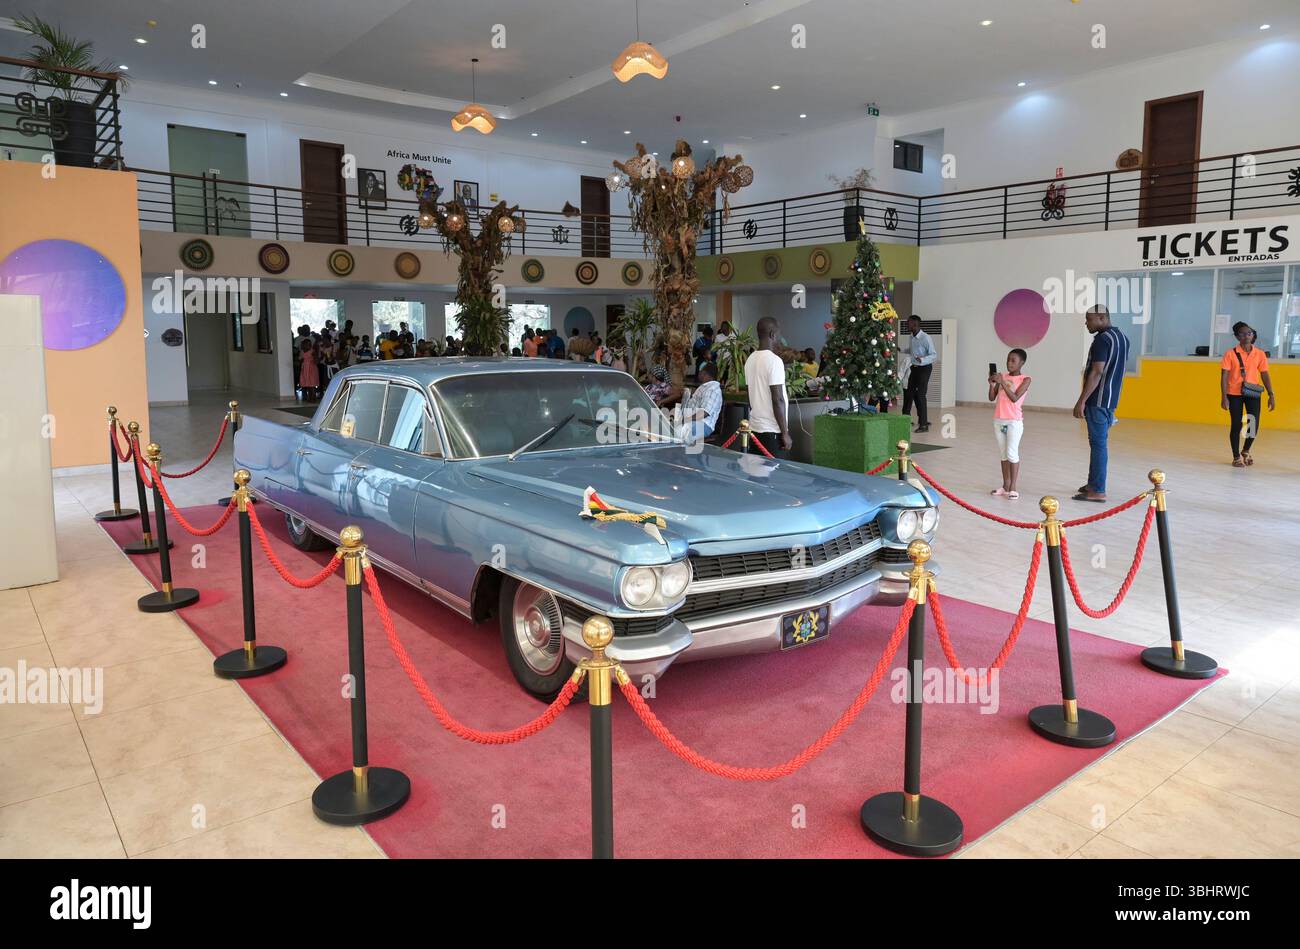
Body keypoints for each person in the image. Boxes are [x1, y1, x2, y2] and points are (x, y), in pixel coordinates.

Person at [1072, 304, 1129, 502]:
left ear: (1102, 318)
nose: (1086, 323)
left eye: (1089, 319)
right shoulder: (1122, 338)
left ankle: (1097, 489)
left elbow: (1097, 372)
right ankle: (1093, 483)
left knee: (1098, 445)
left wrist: (1081, 400)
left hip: (1098, 400)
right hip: (1111, 399)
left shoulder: (1102, 341)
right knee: (1099, 443)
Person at [1220, 321, 1275, 467]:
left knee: (1253, 423)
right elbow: (1224, 376)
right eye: (1243, 334)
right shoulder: (1230, 354)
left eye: (1249, 333)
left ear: (1253, 335)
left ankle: (1246, 450)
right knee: (1236, 424)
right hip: (1234, 393)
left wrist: (1271, 394)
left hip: (1252, 392)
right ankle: (1236, 456)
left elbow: (1264, 374)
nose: (1247, 336)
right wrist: (1224, 397)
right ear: (1237, 337)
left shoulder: (1260, 354)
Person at [744, 316, 792, 456]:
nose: (779, 339)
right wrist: (785, 433)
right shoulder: (774, 361)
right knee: (776, 475)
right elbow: (777, 399)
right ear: (772, 334)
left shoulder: (750, 360)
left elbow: (749, 396)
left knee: (756, 474)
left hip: (755, 429)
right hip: (773, 431)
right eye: (778, 334)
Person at [988, 348, 1032, 500]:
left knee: (1012, 453)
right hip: (998, 420)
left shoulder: (1026, 379)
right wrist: (992, 383)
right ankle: (1005, 486)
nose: (1009, 363)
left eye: (1013, 360)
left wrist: (1002, 383)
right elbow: (991, 398)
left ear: (1022, 363)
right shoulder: (1002, 376)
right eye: (1008, 359)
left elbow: (1014, 398)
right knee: (1003, 454)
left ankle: (1013, 487)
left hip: (1014, 421)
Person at [903, 315, 936, 433]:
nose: (907, 325)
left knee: (920, 395)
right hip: (915, 368)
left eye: (909, 323)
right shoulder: (911, 337)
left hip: (924, 368)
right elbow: (911, 351)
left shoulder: (926, 338)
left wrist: (923, 359)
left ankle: (923, 425)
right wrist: (900, 349)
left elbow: (933, 355)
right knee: (909, 392)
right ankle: (905, 420)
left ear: (915, 324)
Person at [678, 361, 722, 443]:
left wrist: (686, 420)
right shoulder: (704, 387)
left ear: (705, 374)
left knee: (680, 432)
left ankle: (687, 455)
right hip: (694, 421)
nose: (698, 374)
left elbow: (705, 413)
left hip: (703, 424)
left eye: (700, 372)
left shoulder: (713, 390)